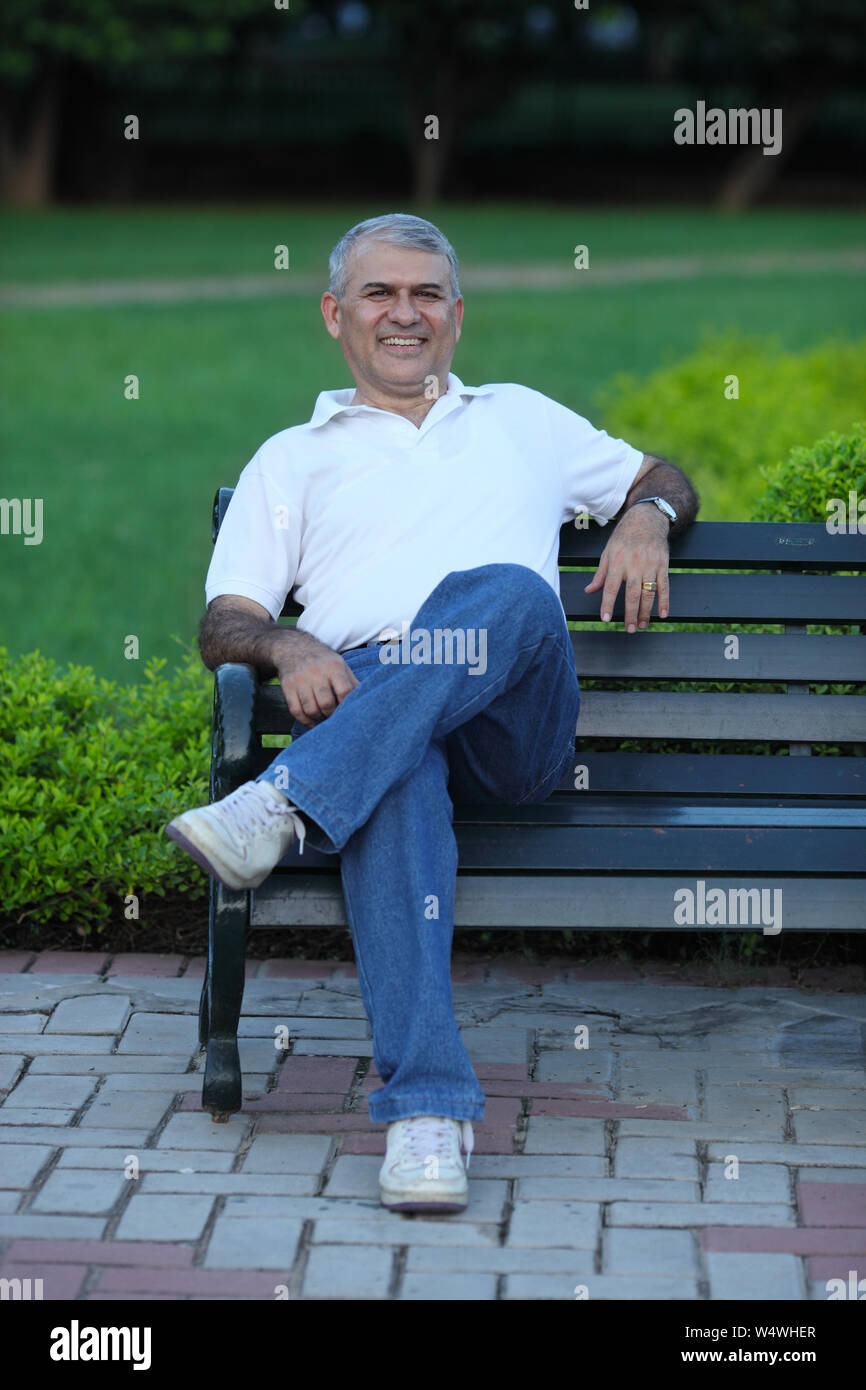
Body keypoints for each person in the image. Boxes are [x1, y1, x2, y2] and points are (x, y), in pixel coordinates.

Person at [165, 212, 699, 1215]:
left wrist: (643, 513)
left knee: (507, 590)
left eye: (425, 295)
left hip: (510, 727)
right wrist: (287, 644)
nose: (402, 313)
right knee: (396, 773)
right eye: (378, 293)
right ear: (335, 314)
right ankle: (424, 1114)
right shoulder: (293, 458)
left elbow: (659, 475)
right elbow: (226, 619)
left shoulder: (522, 419)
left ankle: (281, 806)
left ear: (455, 315)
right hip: (377, 720)